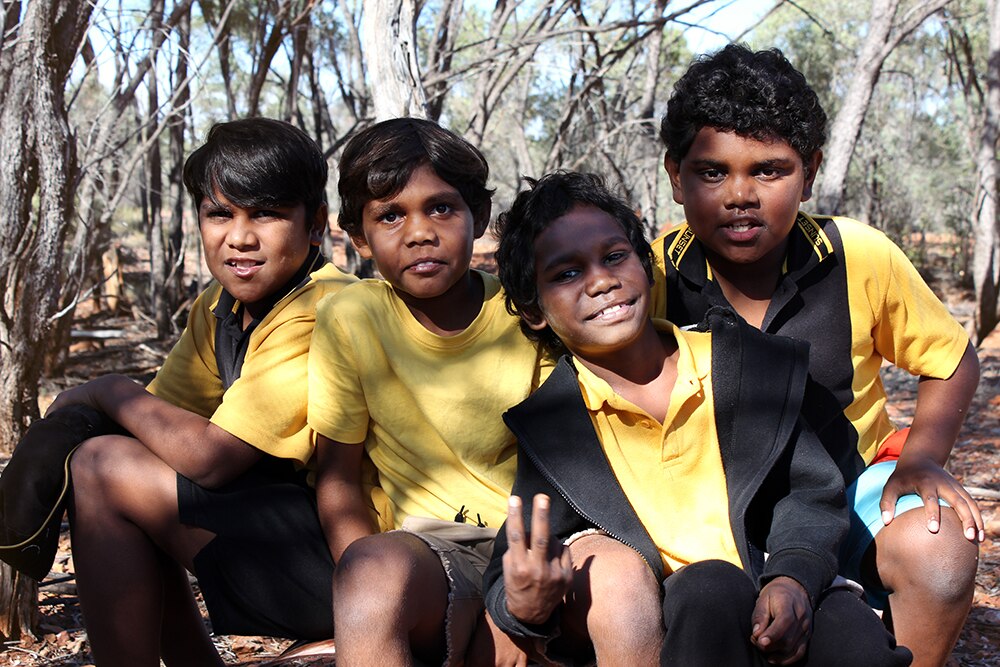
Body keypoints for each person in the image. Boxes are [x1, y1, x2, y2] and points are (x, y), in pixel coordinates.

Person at [483, 170, 912, 666]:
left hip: (783, 581)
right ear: (535, 311)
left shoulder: (747, 364)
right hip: (680, 621)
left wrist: (794, 577)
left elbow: (811, 492)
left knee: (854, 639)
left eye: (615, 256)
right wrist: (522, 605)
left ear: (644, 265)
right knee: (711, 586)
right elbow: (512, 565)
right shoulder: (556, 426)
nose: (601, 281)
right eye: (566, 274)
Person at [652, 44, 981, 666]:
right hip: (708, 512)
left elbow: (953, 359)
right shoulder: (649, 274)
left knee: (938, 544)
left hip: (850, 490)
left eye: (769, 170)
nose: (740, 194)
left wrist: (925, 460)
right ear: (676, 176)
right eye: (712, 172)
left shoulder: (857, 255)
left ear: (810, 170)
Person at [42, 118, 356, 666]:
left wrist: (110, 388)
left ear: (315, 226)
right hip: (290, 536)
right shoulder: (220, 306)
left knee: (101, 467)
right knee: (119, 471)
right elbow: (164, 418)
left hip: (359, 566)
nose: (240, 236)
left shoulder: (326, 305)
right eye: (220, 214)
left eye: (266, 213)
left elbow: (212, 458)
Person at [307, 117, 550, 667]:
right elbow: (338, 478)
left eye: (441, 208)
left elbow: (571, 465)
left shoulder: (526, 311)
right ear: (360, 238)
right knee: (370, 582)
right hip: (428, 552)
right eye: (390, 216)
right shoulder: (351, 318)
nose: (420, 232)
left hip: (538, 545)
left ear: (479, 217)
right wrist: (364, 585)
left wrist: (514, 609)